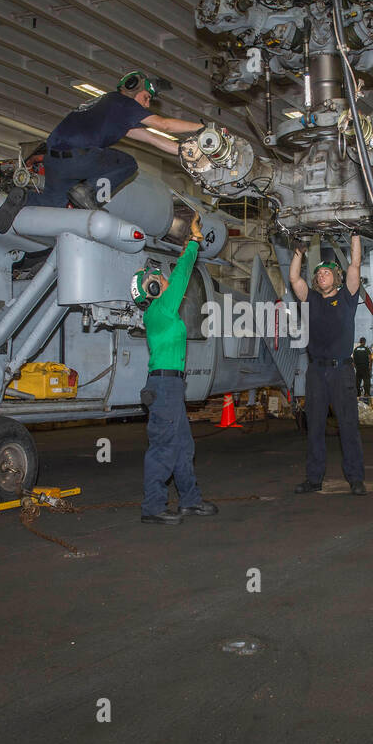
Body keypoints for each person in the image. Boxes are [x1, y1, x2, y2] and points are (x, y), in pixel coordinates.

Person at [0, 70, 205, 233]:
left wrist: (191, 153)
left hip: (55, 161)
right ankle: (88, 193)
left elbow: (152, 138)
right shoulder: (122, 102)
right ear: (135, 91)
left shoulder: (107, 107)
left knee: (53, 204)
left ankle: (23, 198)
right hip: (79, 156)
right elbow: (164, 125)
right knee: (128, 164)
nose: (147, 104)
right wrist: (202, 128)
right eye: (146, 98)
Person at [131, 214, 217, 525]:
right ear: (153, 287)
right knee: (164, 448)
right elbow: (182, 275)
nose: (163, 277)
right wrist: (193, 242)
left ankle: (189, 501)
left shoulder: (160, 312)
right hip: (165, 387)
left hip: (170, 387)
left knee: (183, 445)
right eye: (157, 277)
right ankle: (153, 507)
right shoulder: (161, 309)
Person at [289, 238, 366, 496]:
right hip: (316, 372)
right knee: (315, 427)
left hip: (341, 370)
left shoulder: (347, 297)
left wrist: (354, 235)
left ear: (336, 276)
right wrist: (299, 251)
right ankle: (314, 479)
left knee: (348, 426)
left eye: (326, 272)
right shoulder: (309, 299)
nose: (322, 276)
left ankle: (355, 479)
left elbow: (355, 265)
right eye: (318, 273)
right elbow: (293, 279)